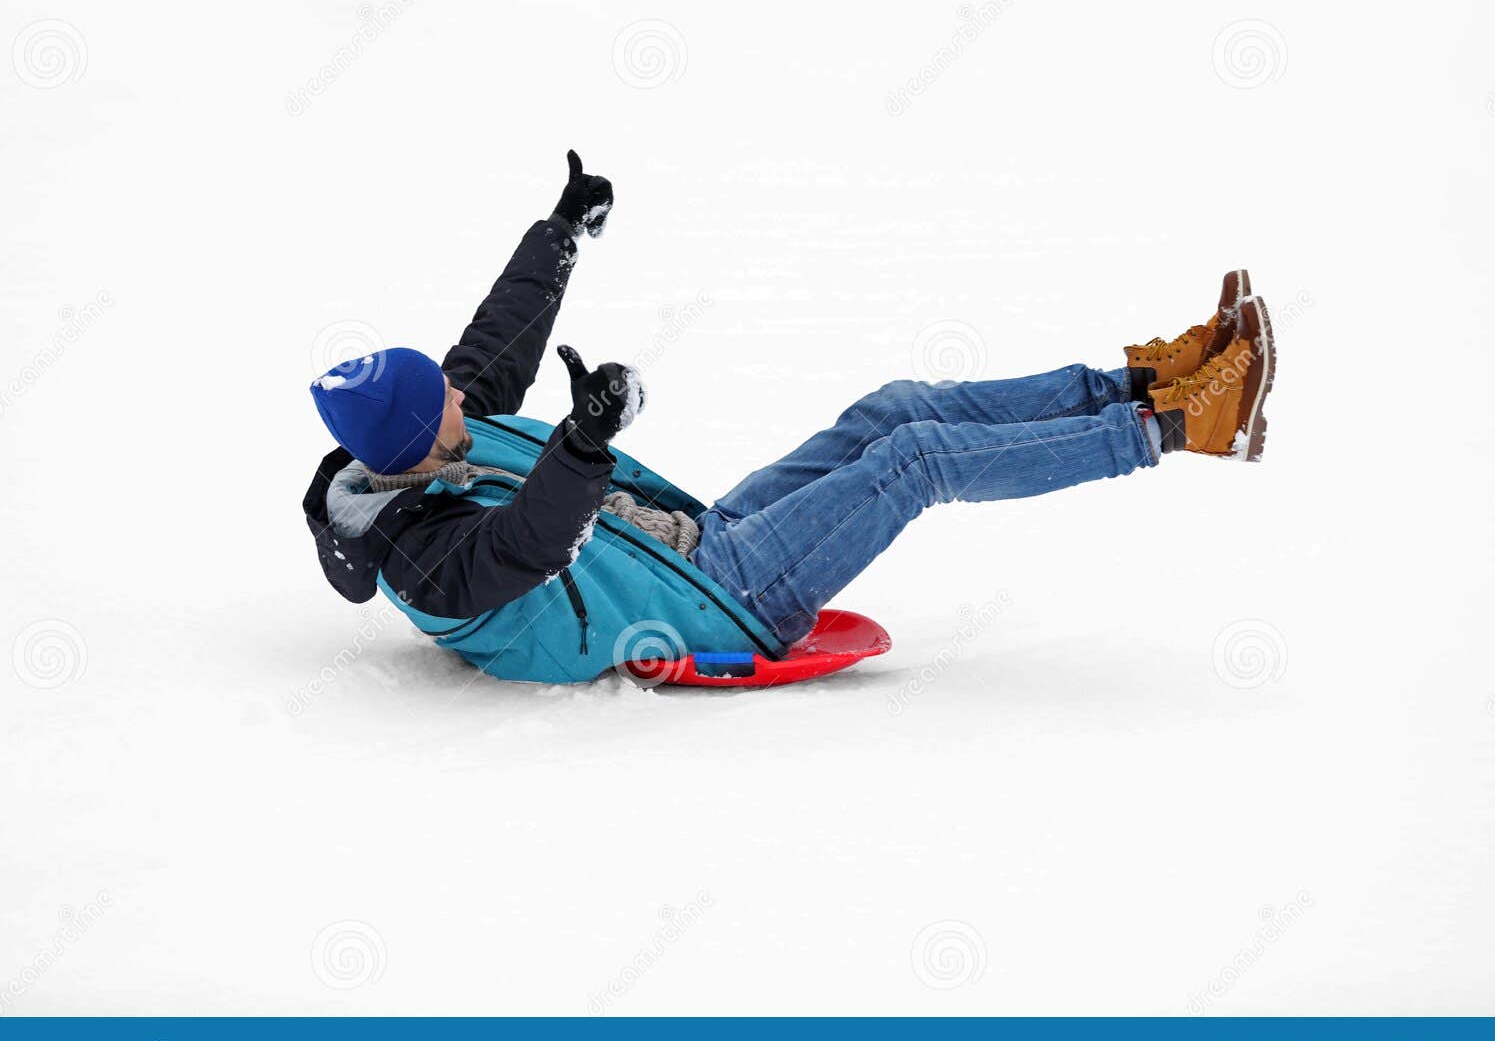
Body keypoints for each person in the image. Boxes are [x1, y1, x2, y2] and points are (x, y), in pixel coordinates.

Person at [302, 152, 1276, 684]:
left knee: (891, 410)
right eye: (445, 406)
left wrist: (558, 232)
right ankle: (1184, 429)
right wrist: (584, 441)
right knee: (916, 459)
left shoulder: (424, 441)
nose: (463, 396)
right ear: (414, 448)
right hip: (715, 597)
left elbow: (491, 346)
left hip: (700, 537)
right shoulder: (428, 560)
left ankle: (1142, 382)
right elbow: (528, 540)